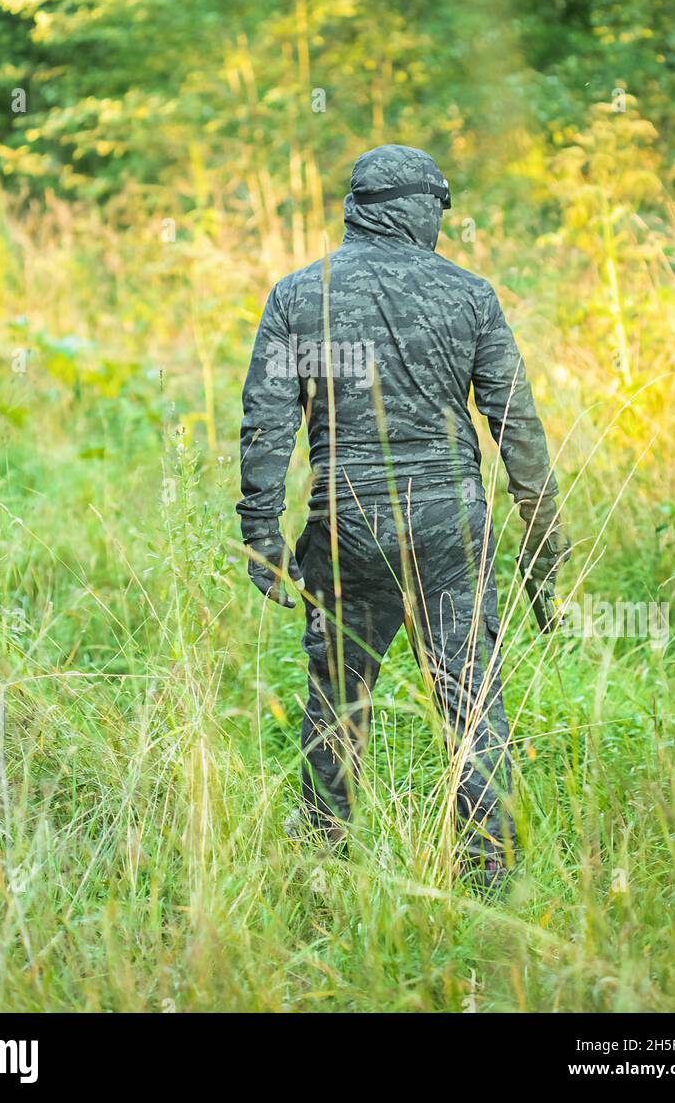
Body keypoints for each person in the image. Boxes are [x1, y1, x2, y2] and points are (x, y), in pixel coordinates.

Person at [236, 144, 565, 890]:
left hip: (345, 528)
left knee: (337, 699)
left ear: (360, 206)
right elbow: (518, 430)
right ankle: (486, 879)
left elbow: (266, 422)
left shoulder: (297, 295)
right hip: (451, 527)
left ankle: (324, 862)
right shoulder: (471, 296)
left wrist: (261, 534)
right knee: (471, 702)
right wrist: (545, 554)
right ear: (419, 206)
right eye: (441, 208)